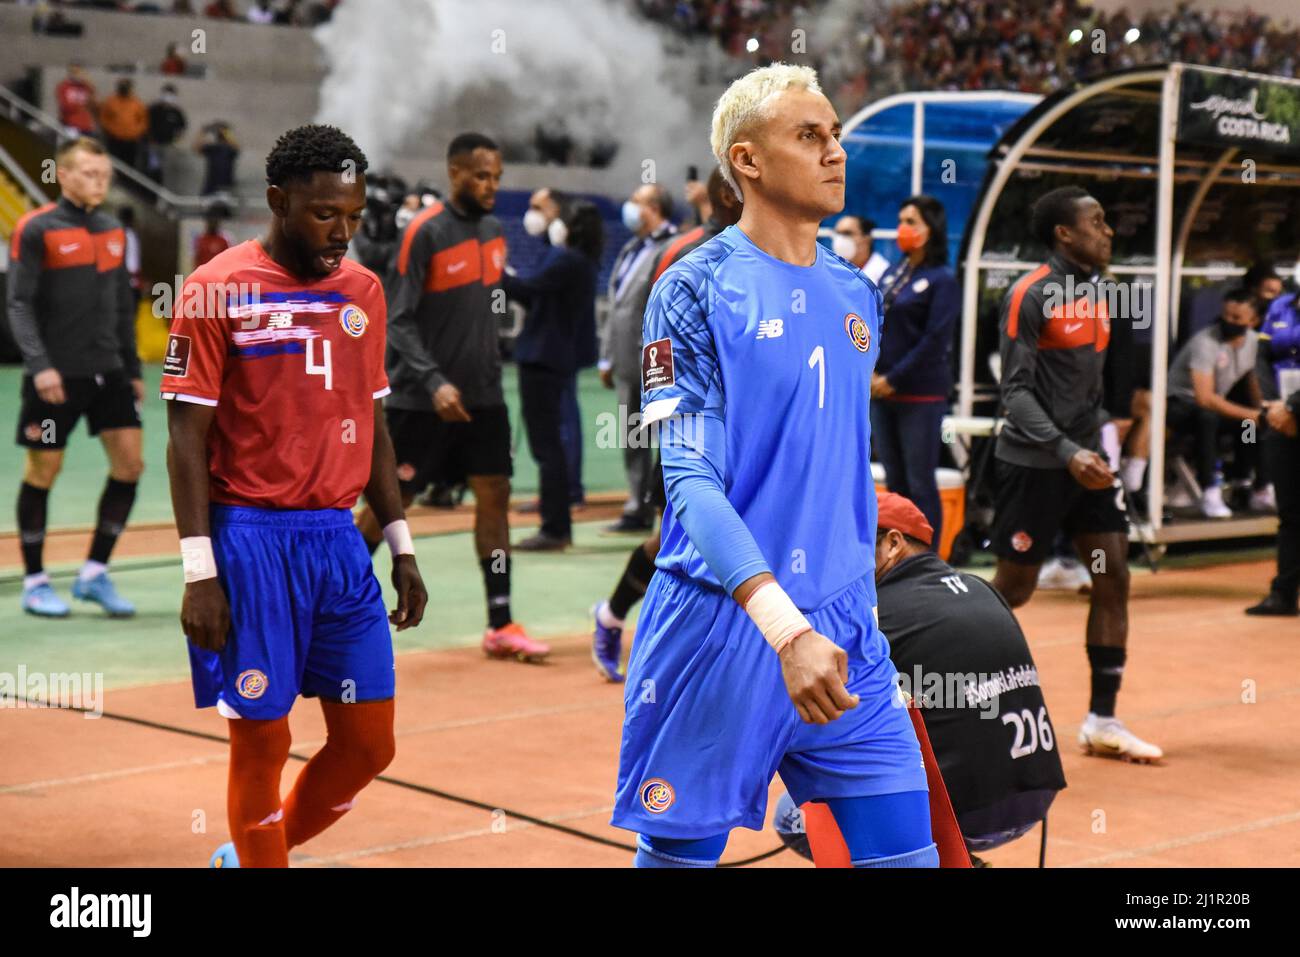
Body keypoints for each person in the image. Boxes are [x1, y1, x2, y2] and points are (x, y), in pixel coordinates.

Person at [612, 64, 935, 869]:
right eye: (809, 135)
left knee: (908, 857)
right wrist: (784, 629)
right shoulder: (691, 286)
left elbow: (828, 454)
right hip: (724, 631)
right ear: (748, 161)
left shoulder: (857, 292)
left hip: (846, 632)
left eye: (836, 136)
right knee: (680, 859)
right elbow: (689, 481)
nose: (835, 152)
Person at [160, 124, 427, 869]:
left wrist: (401, 546)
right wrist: (198, 570)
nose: (342, 232)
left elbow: (372, 422)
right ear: (278, 200)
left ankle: (248, 853)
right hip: (247, 539)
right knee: (263, 740)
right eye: (323, 215)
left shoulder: (363, 291)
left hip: (339, 541)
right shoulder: (216, 287)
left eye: (353, 214)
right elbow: (185, 436)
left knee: (369, 743)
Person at [773, 492, 1066, 861]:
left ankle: (933, 855)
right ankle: (959, 859)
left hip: (966, 812)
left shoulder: (874, 618)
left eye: (851, 543)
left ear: (894, 542)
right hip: (1034, 795)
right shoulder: (981, 587)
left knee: (794, 809)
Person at [355, 133, 550, 662]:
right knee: (387, 505)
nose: (491, 186)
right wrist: (434, 379)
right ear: (455, 173)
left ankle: (500, 621)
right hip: (421, 401)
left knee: (495, 496)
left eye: (497, 177)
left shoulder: (492, 230)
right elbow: (396, 318)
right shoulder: (424, 233)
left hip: (483, 399)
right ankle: (331, 606)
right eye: (481, 175)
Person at [989, 185, 1161, 764]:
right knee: (1013, 590)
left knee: (1112, 576)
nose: (1108, 230)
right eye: (1097, 222)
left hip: (1087, 465)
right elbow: (1014, 394)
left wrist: (1100, 442)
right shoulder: (1029, 295)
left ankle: (1102, 720)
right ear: (1065, 233)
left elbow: (1092, 388)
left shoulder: (1105, 294)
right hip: (1034, 465)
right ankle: (931, 690)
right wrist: (1067, 451)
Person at [590, 167, 742, 682]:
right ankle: (612, 615)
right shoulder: (682, 256)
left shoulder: (774, 254)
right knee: (672, 545)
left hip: (752, 433)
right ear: (729, 194)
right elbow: (661, 349)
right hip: (693, 431)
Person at [8, 138, 142, 619]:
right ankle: (35, 581)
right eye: (88, 173)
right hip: (56, 377)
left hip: (108, 373)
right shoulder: (36, 228)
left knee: (130, 465)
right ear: (62, 174)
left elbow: (122, 306)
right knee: (44, 471)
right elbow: (19, 303)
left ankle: (93, 575)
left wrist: (130, 368)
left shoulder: (114, 231)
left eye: (104, 175)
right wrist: (40, 366)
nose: (99, 182)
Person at [504, 196, 603, 551]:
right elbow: (537, 297)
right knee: (549, 446)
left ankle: (555, 527)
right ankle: (554, 516)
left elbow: (525, 289)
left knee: (547, 447)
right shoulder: (580, 262)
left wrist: (494, 268)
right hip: (551, 359)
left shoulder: (567, 260)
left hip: (544, 360)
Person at [869, 195, 959, 548]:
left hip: (919, 394)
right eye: (901, 220)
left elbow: (935, 340)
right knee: (896, 483)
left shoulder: (942, 281)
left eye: (912, 222)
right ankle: (898, 555)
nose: (903, 229)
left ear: (931, 230)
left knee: (920, 482)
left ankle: (929, 560)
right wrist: (873, 376)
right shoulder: (894, 273)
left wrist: (893, 379)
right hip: (881, 393)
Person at [600, 182, 676, 533]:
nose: (630, 207)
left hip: (658, 362)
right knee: (632, 435)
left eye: (637, 201)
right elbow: (617, 309)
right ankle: (637, 505)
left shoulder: (672, 248)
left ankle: (663, 507)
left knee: (665, 436)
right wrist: (606, 358)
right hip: (625, 359)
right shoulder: (631, 248)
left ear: (654, 208)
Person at [517, 187, 589, 510]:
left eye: (539, 207)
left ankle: (567, 493)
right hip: (554, 350)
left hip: (557, 353)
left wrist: (500, 275)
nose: (532, 213)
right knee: (558, 422)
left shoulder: (568, 255)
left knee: (562, 421)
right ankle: (558, 494)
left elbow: (535, 289)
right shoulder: (551, 250)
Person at [1166, 288, 1267, 518]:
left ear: (1253, 321)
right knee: (1208, 418)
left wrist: (1263, 411)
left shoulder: (1253, 342)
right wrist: (1251, 414)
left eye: (1236, 318)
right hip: (1178, 405)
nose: (1228, 322)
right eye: (1226, 315)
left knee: (1250, 427)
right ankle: (1210, 490)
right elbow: (1204, 398)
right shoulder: (1205, 342)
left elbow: (1254, 381)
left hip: (1212, 405)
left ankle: (1249, 485)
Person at [1247, 292, 1300, 616]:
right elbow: (1261, 357)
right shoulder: (1281, 306)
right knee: (1291, 512)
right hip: (1281, 421)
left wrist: (1294, 407)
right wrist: (1272, 407)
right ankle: (1284, 592)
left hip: (1292, 411)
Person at [98, 78, 149, 171]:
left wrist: (136, 131)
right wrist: (111, 129)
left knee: (130, 165)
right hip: (114, 139)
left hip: (131, 140)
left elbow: (143, 120)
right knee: (114, 164)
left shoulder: (137, 103)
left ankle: (128, 184)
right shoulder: (111, 101)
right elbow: (103, 118)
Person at [146, 83, 187, 186]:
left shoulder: (177, 112)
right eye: (166, 94)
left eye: (171, 94)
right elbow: (145, 124)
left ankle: (162, 193)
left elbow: (182, 127)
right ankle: (148, 193)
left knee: (166, 171)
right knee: (153, 168)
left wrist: (176, 141)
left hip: (168, 146)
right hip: (153, 145)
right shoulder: (153, 109)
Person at [831, 214, 890, 284]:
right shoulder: (831, 271)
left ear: (867, 238)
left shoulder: (884, 274)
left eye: (847, 233)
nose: (840, 239)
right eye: (837, 234)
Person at [195, 121, 240, 196]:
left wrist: (226, 132)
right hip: (210, 187)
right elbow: (196, 148)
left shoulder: (230, 149)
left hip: (226, 187)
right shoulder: (213, 148)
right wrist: (203, 131)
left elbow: (237, 147)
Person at [55, 63, 96, 137]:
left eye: (79, 72)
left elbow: (93, 102)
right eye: (74, 72)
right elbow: (65, 106)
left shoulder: (86, 86)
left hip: (86, 124)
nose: (77, 75)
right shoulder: (63, 86)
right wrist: (81, 105)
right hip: (70, 124)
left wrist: (88, 81)